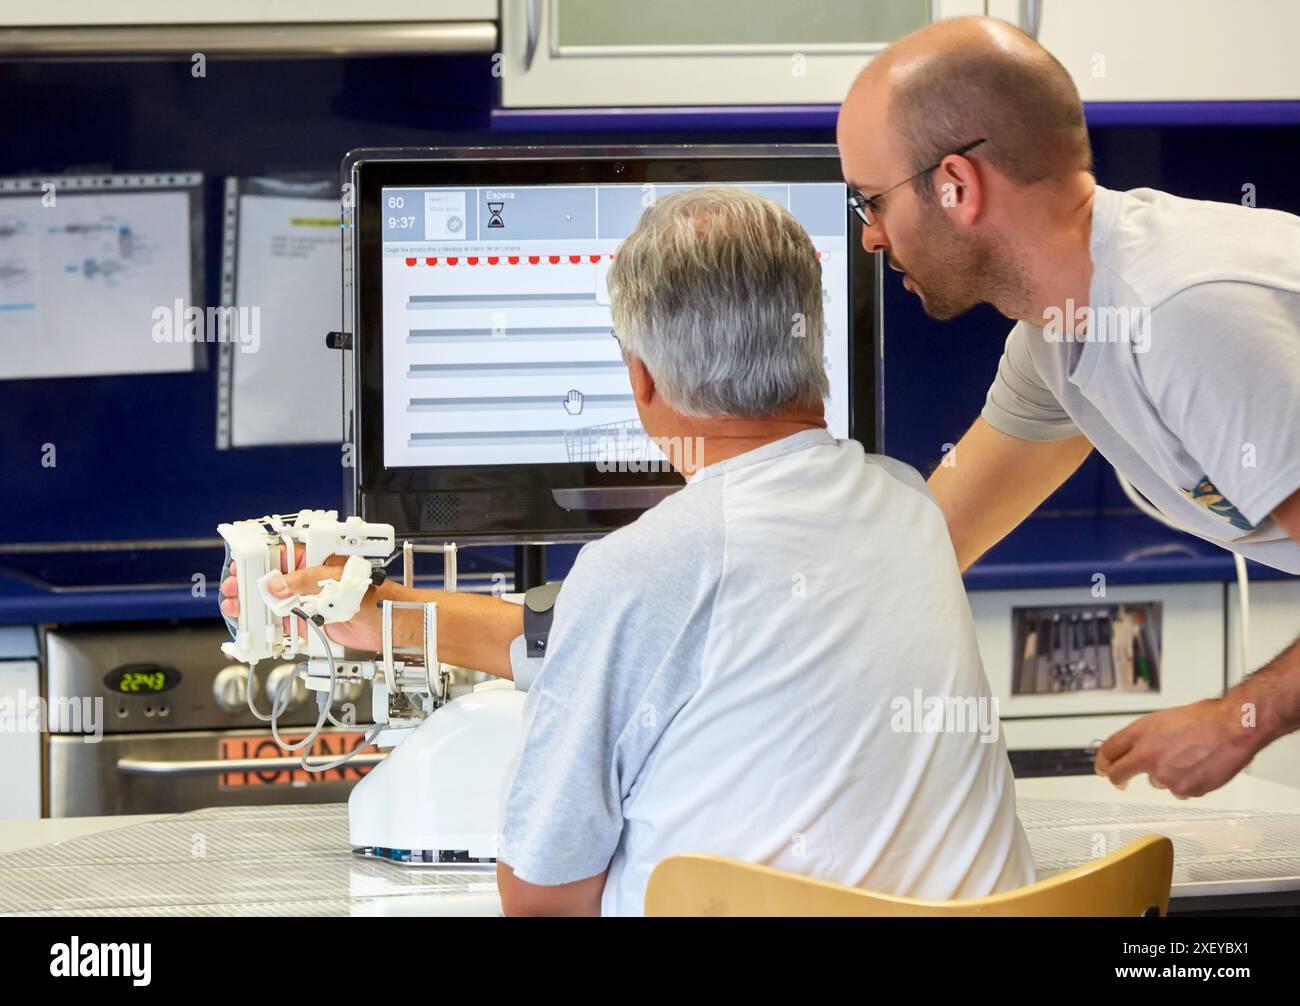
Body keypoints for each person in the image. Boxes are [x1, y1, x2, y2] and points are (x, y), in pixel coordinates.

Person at [225, 187, 1034, 916]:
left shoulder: (644, 569)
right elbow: (642, 641)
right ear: (813, 345)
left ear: (642, 379)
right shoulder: (909, 508)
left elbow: (542, 898)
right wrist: (386, 616)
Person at [835, 15, 1300, 798]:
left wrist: (1235, 717)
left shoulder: (1180, 312)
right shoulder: (1059, 338)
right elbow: (927, 547)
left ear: (957, 185)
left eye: (869, 203)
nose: (871, 239)